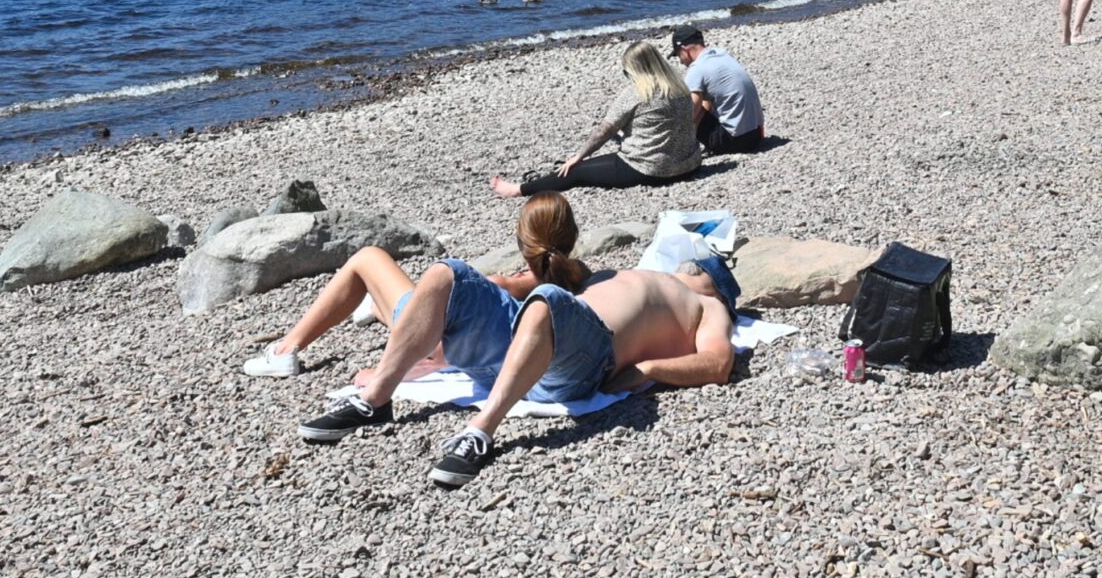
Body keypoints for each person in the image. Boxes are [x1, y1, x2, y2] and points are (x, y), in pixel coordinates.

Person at [246, 192, 737, 489]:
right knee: (447, 273)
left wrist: (651, 371)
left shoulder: (708, 306)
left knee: (546, 299)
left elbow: (717, 365)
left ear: (710, 280)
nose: (684, 267)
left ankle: (481, 431)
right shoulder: (620, 274)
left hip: (582, 359)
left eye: (696, 268)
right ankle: (376, 399)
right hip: (532, 343)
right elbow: (542, 280)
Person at [490, 41, 700, 196]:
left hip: (651, 169)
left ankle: (518, 190)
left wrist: (578, 157)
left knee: (574, 172)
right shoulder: (679, 86)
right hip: (688, 163)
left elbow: (604, 131)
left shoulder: (637, 92)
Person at [671, 25, 766, 154]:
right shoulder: (722, 54)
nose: (681, 62)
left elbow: (690, 109)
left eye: (678, 55)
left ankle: (684, 153)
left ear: (684, 49)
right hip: (757, 135)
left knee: (683, 109)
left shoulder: (697, 68)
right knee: (705, 100)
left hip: (736, 142)